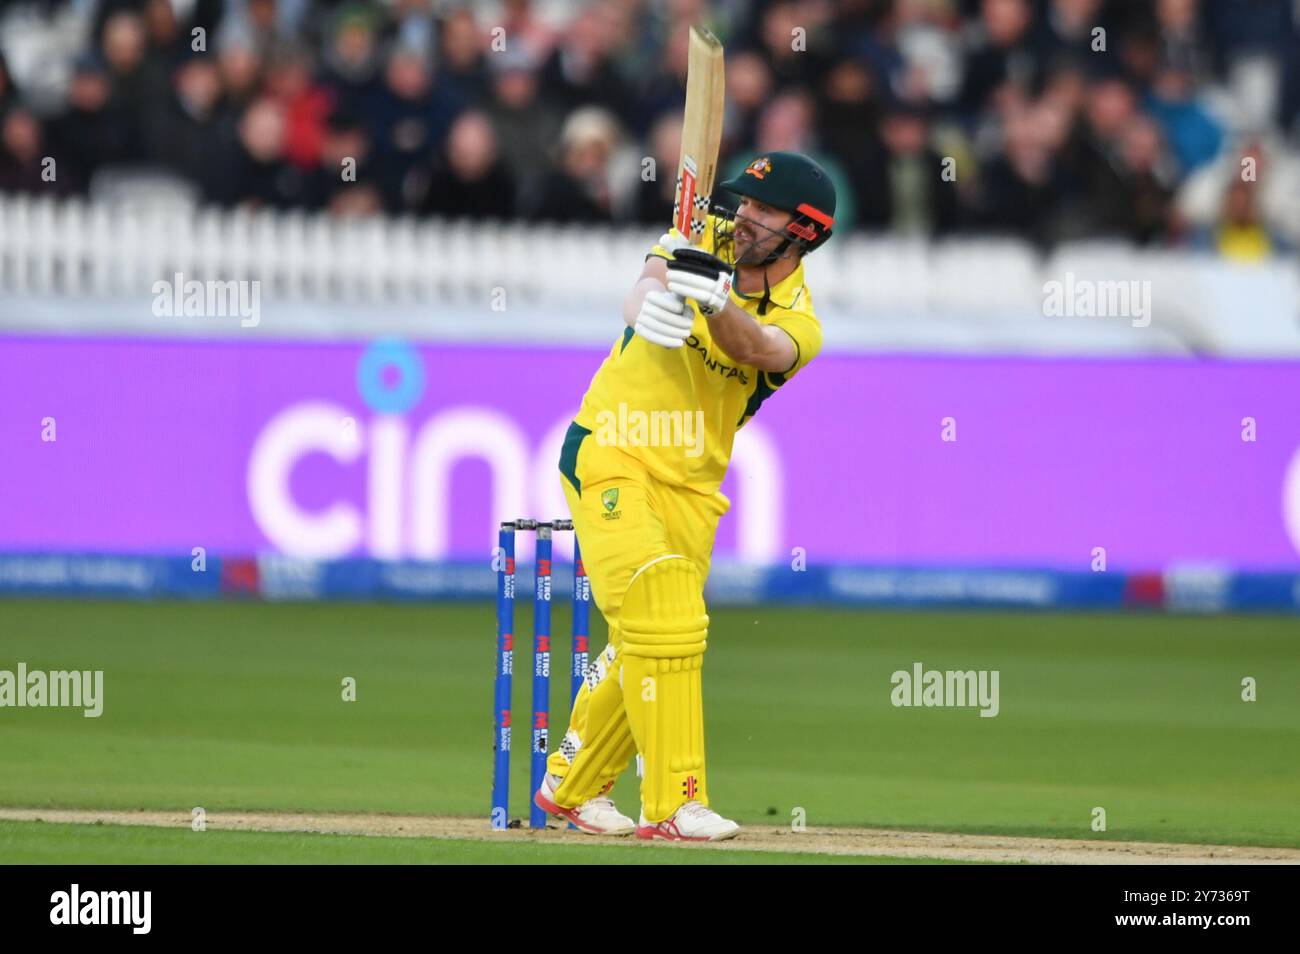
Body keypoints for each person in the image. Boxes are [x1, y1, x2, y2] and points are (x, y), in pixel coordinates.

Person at [532, 151, 835, 841]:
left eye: (763, 210)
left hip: (693, 486)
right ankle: (674, 804)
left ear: (803, 231)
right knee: (663, 619)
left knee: (648, 640)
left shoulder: (802, 321)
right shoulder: (705, 234)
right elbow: (646, 279)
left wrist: (717, 301)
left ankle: (570, 787)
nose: (743, 216)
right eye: (744, 202)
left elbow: (758, 348)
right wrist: (648, 302)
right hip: (613, 448)